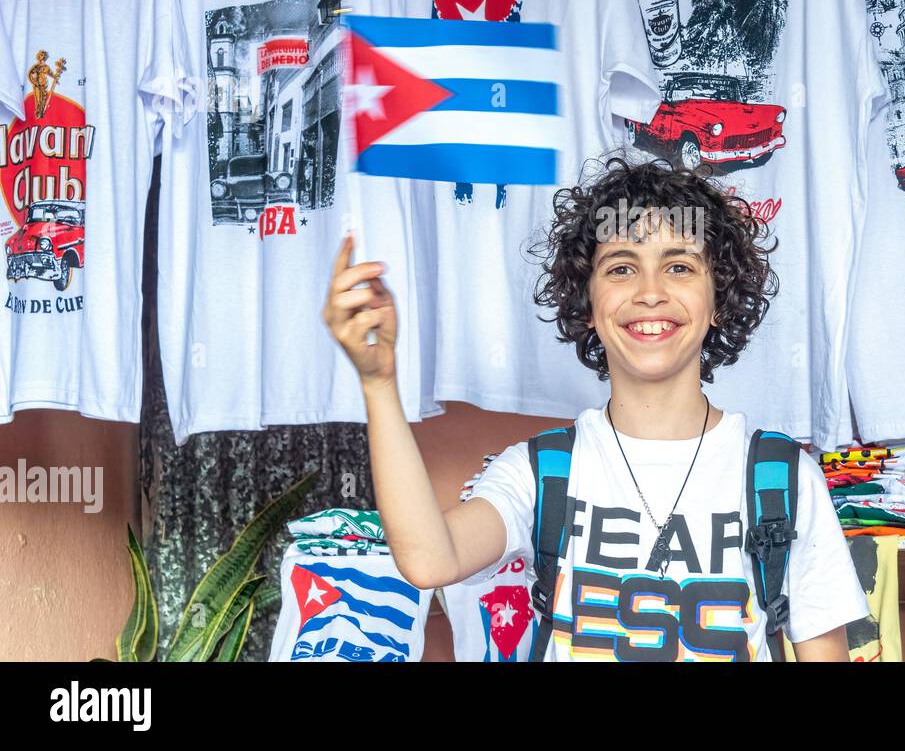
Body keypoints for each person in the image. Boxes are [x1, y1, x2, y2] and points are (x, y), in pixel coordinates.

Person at [323, 156, 868, 661]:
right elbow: (429, 560)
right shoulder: (541, 471)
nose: (650, 292)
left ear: (718, 301)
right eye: (621, 268)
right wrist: (379, 383)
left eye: (679, 267)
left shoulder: (782, 478)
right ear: (588, 305)